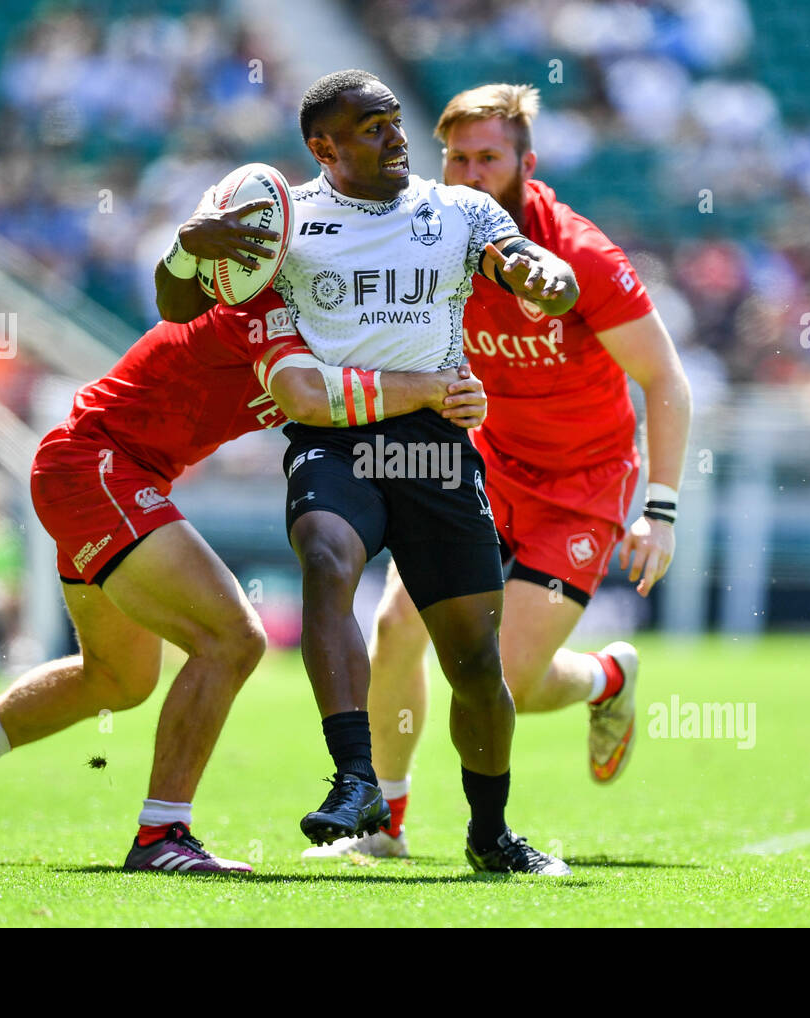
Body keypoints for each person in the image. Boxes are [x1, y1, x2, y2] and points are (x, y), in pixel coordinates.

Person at [0, 256, 486, 874]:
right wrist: (436, 387)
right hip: (101, 470)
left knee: (116, 679)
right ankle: (161, 834)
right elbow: (310, 398)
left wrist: (453, 393)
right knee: (233, 638)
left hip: (97, 470)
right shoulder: (270, 309)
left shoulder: (315, 322)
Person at [158, 69, 582, 875]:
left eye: (396, 122)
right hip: (336, 437)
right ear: (325, 147)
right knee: (324, 555)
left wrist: (546, 280)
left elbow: (539, 276)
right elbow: (178, 302)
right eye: (374, 127)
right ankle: (357, 778)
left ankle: (492, 836)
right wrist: (187, 248)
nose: (398, 137)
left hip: (434, 445)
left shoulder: (456, 211)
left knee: (475, 666)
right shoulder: (284, 222)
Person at [306, 83, 693, 860]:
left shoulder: (580, 255)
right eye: (458, 157)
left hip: (580, 485)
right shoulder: (434, 235)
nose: (471, 172)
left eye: (489, 158)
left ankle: (604, 681)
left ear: (526, 164)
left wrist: (662, 508)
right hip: (483, 465)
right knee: (395, 629)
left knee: (504, 679)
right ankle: (388, 827)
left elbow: (666, 380)